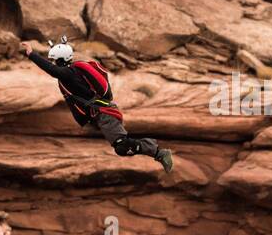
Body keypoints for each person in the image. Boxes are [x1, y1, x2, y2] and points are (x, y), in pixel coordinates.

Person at [22, 37, 174, 172]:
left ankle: (158, 152)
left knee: (122, 147)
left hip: (104, 113)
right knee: (121, 146)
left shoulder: (67, 74)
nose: (53, 63)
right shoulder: (72, 72)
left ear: (60, 61)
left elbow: (52, 70)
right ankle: (155, 150)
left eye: (55, 60)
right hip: (99, 114)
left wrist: (31, 54)